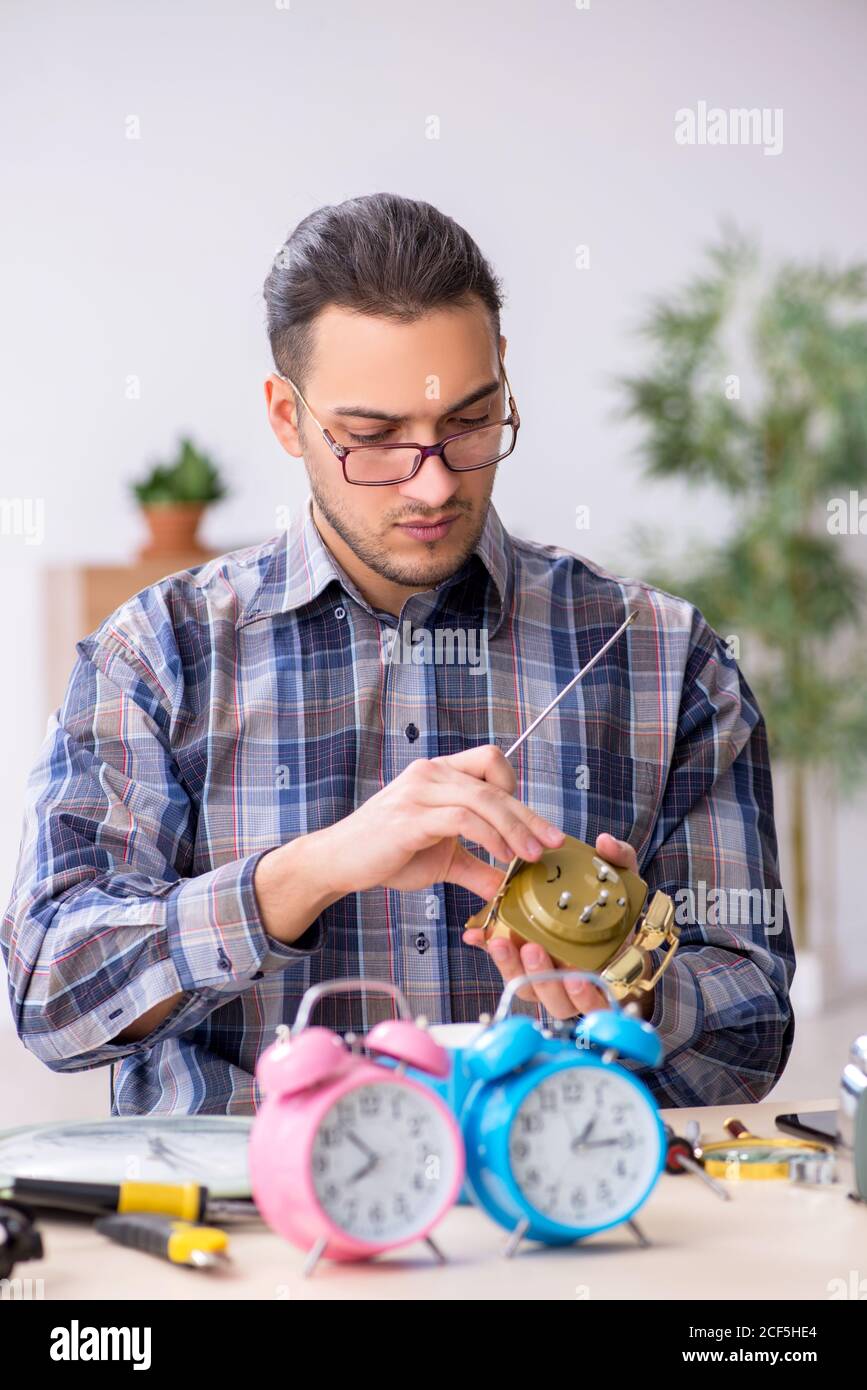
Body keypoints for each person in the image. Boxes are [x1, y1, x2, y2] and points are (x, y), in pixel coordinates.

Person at [1, 193, 795, 1115]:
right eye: (374, 439)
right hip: (250, 1240)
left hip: (564, 1228)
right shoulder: (158, 656)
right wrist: (305, 874)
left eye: (469, 421)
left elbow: (756, 1037)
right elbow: (48, 995)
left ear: (502, 377)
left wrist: (637, 982)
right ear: (287, 418)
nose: (433, 481)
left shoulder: (661, 655)